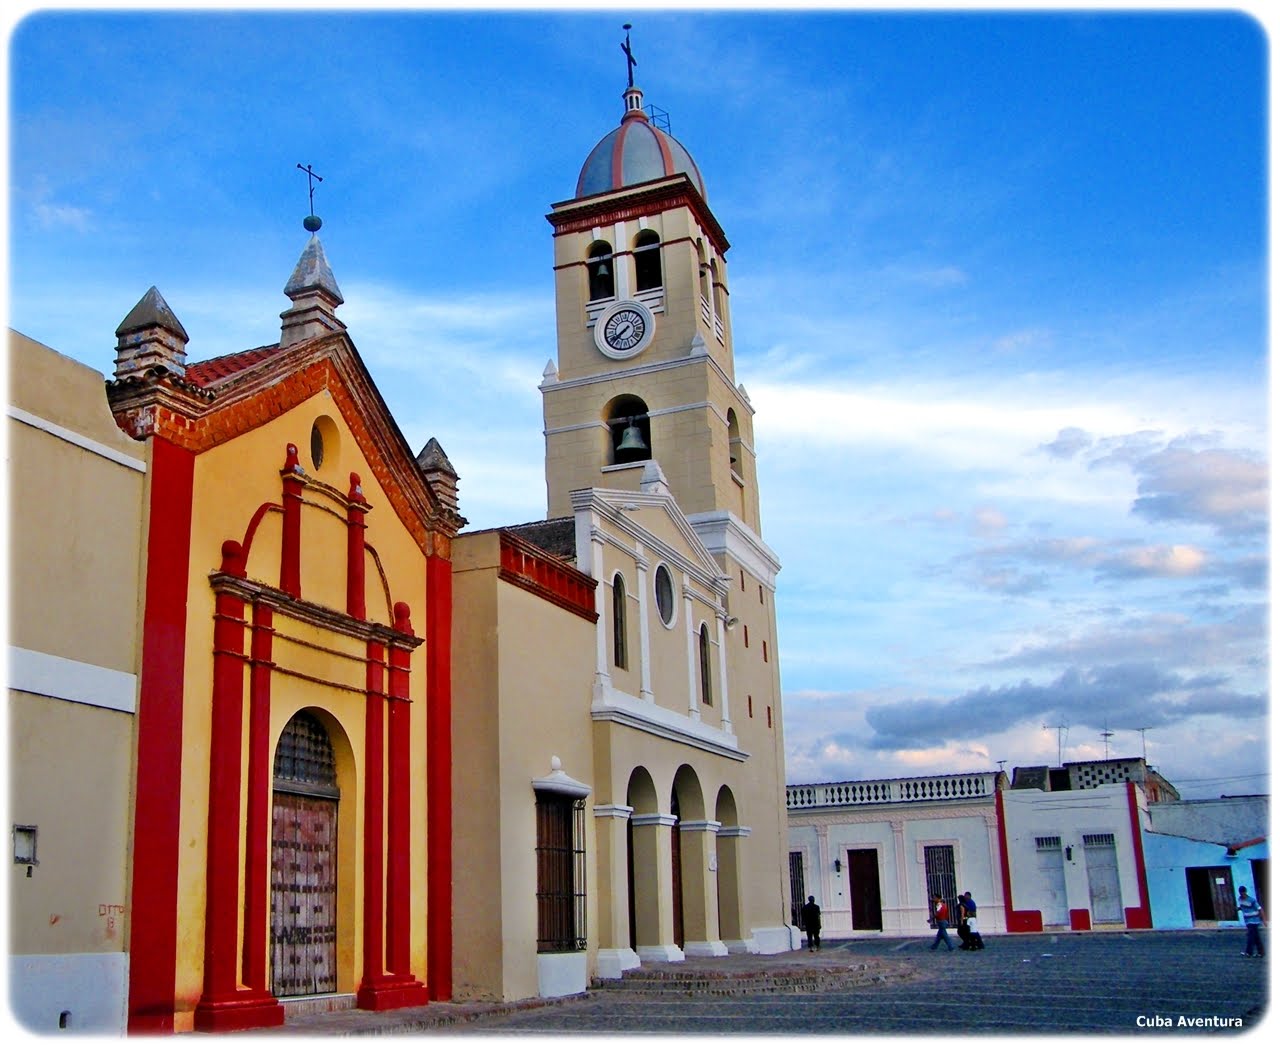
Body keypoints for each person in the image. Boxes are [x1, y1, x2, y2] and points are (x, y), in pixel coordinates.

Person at [1238, 885, 1266, 957]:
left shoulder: (1252, 900)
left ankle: (1249, 952)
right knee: (1256, 938)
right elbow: (1243, 907)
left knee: (1250, 937)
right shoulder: (1240, 899)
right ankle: (1261, 952)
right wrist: (1239, 909)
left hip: (1254, 921)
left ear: (1245, 892)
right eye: (1241, 893)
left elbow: (1260, 909)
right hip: (1247, 921)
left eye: (1243, 893)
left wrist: (1264, 920)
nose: (1242, 894)